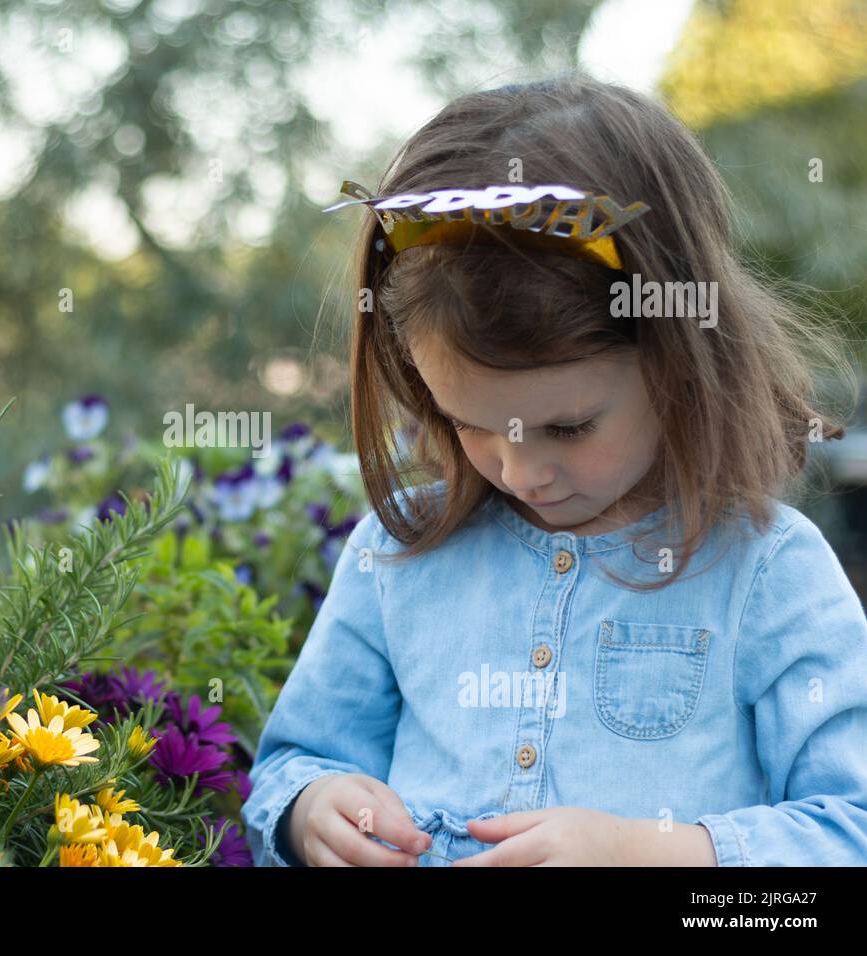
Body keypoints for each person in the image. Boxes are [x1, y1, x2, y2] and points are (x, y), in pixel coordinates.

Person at [241, 74, 867, 866]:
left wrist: (651, 852)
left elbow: (851, 827)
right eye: (469, 422)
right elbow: (296, 763)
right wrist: (312, 811)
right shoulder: (397, 555)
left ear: (680, 364)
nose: (521, 468)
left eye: (568, 426)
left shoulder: (768, 571)